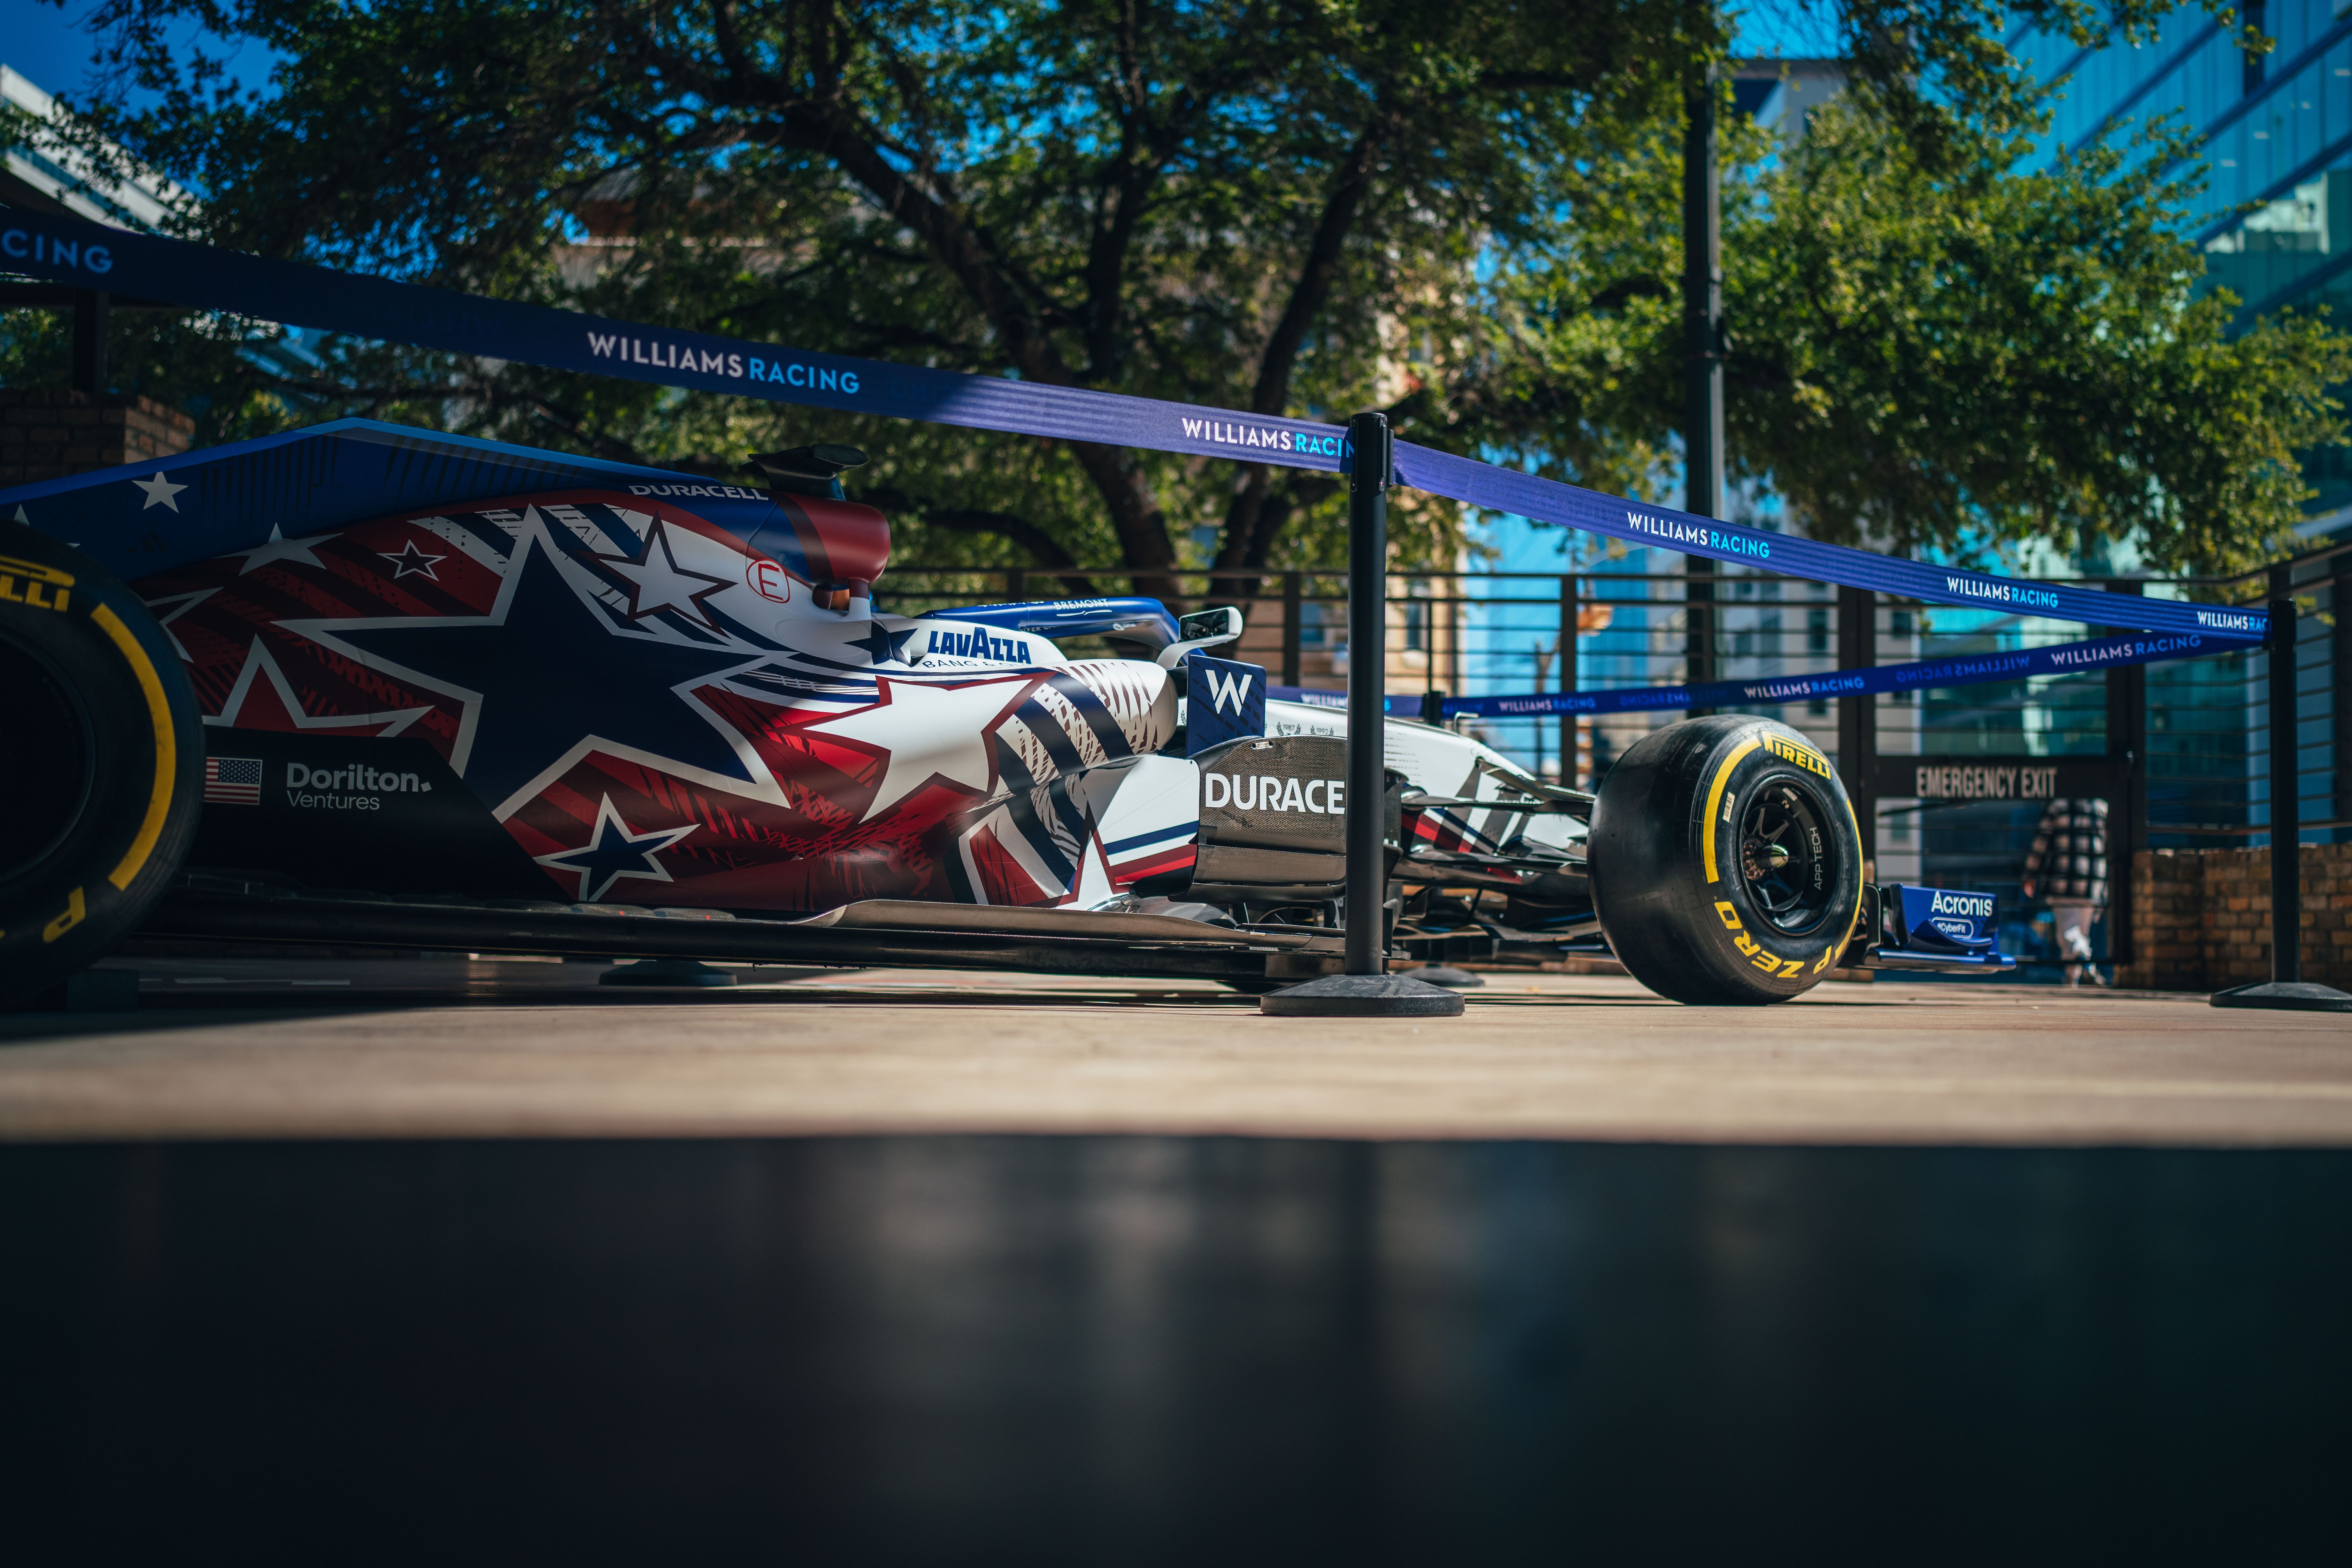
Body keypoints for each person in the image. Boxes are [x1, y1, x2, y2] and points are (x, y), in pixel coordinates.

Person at [2022, 798, 2110, 987]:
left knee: (2068, 934)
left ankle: (2084, 959)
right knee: (2082, 933)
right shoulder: (2101, 808)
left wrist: (2031, 872)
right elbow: (2108, 845)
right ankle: (2073, 979)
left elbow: (2041, 842)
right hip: (2093, 880)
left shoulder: (2058, 806)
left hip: (2062, 880)